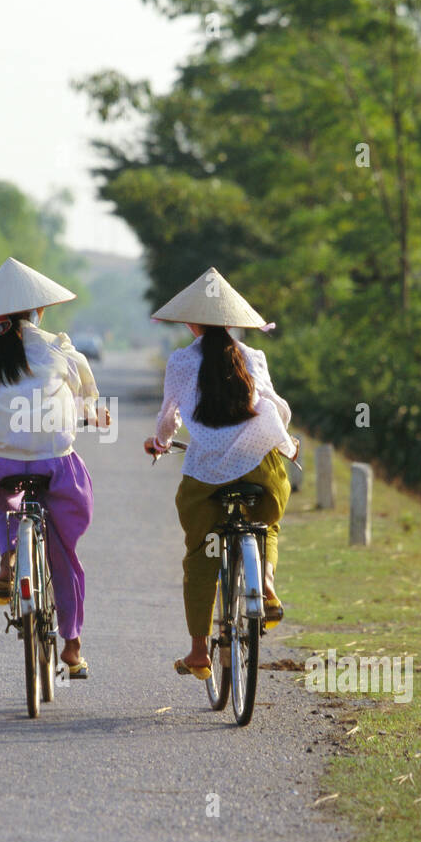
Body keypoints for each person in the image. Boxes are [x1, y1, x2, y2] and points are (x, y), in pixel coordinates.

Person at [142, 268, 300, 680]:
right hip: (259, 467)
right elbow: (275, 407)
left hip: (207, 473)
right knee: (267, 524)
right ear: (232, 320)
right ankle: (264, 581)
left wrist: (159, 443)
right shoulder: (253, 356)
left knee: (200, 556)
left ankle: (198, 652)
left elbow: (168, 420)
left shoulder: (180, 361)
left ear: (191, 322)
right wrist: (289, 442)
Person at [0, 258, 99, 678]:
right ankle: (72, 647)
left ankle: (7, 560)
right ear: (39, 311)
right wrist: (87, 413)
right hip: (55, 467)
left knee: (5, 505)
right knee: (64, 554)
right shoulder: (60, 347)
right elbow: (87, 393)